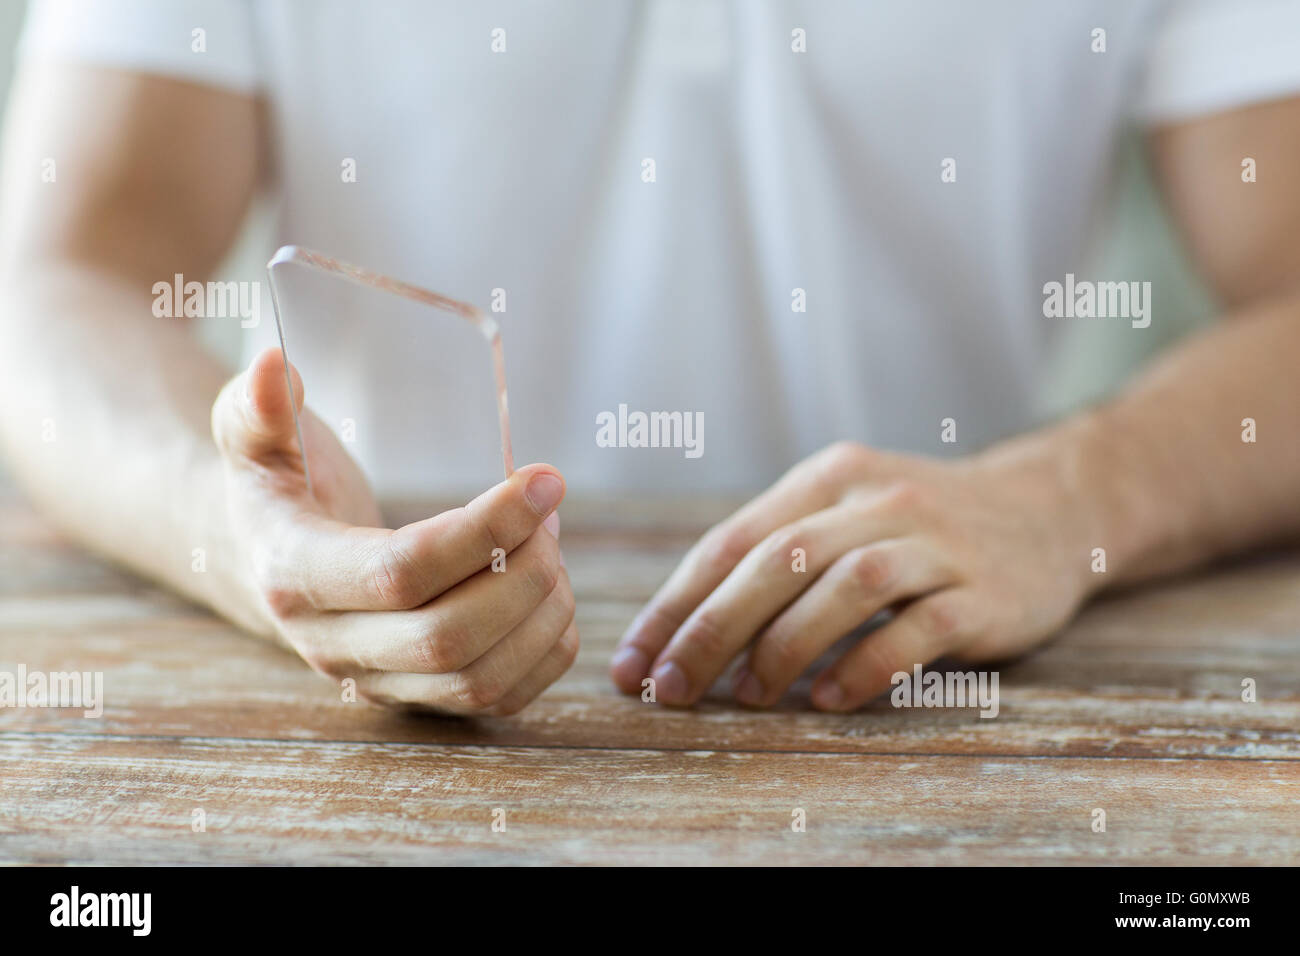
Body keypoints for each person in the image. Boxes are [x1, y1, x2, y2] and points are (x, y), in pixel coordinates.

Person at [1, 0, 1298, 716]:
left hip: (922, 705)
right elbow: (54, 287)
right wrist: (253, 541)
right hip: (414, 754)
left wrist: (1072, 497)